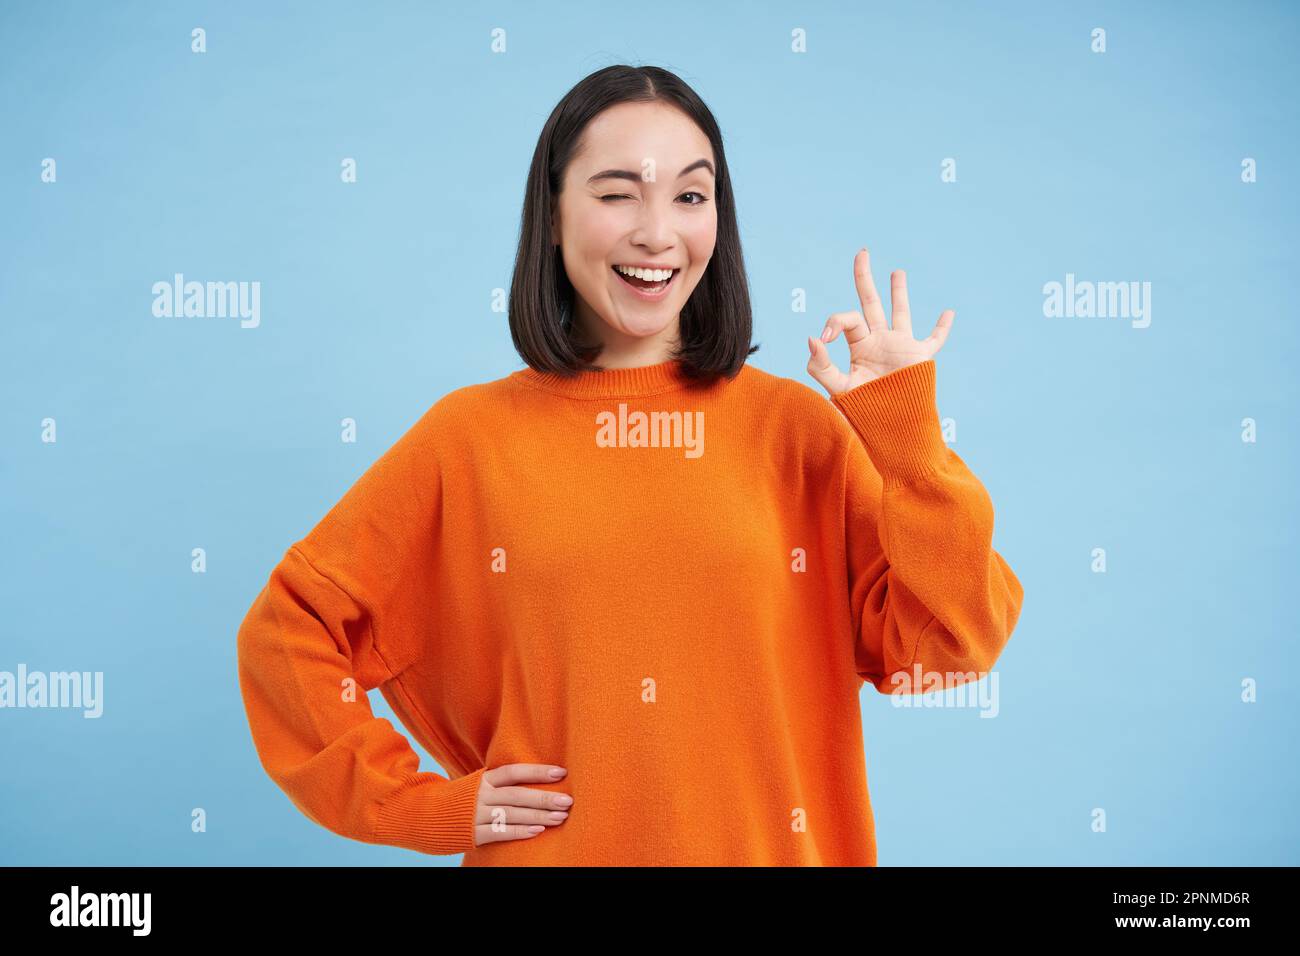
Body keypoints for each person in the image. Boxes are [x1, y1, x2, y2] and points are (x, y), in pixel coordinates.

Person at [235, 64, 1024, 866]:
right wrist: (414, 805)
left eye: (690, 195)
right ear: (551, 215)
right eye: (617, 194)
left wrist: (911, 448)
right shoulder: (468, 440)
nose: (657, 232)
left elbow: (955, 643)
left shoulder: (795, 435)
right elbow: (289, 630)